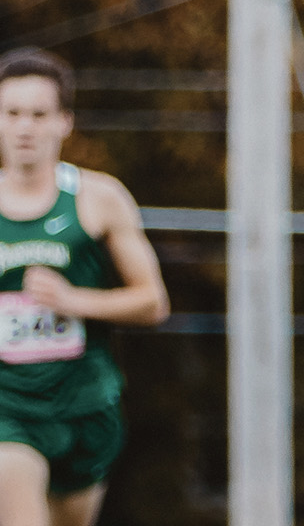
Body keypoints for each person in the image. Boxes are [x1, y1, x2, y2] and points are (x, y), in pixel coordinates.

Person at [0, 49, 168, 526]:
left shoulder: (99, 199)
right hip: (7, 406)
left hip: (84, 405)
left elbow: (153, 302)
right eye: (12, 113)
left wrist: (74, 301)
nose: (25, 128)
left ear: (64, 122)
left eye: (38, 114)